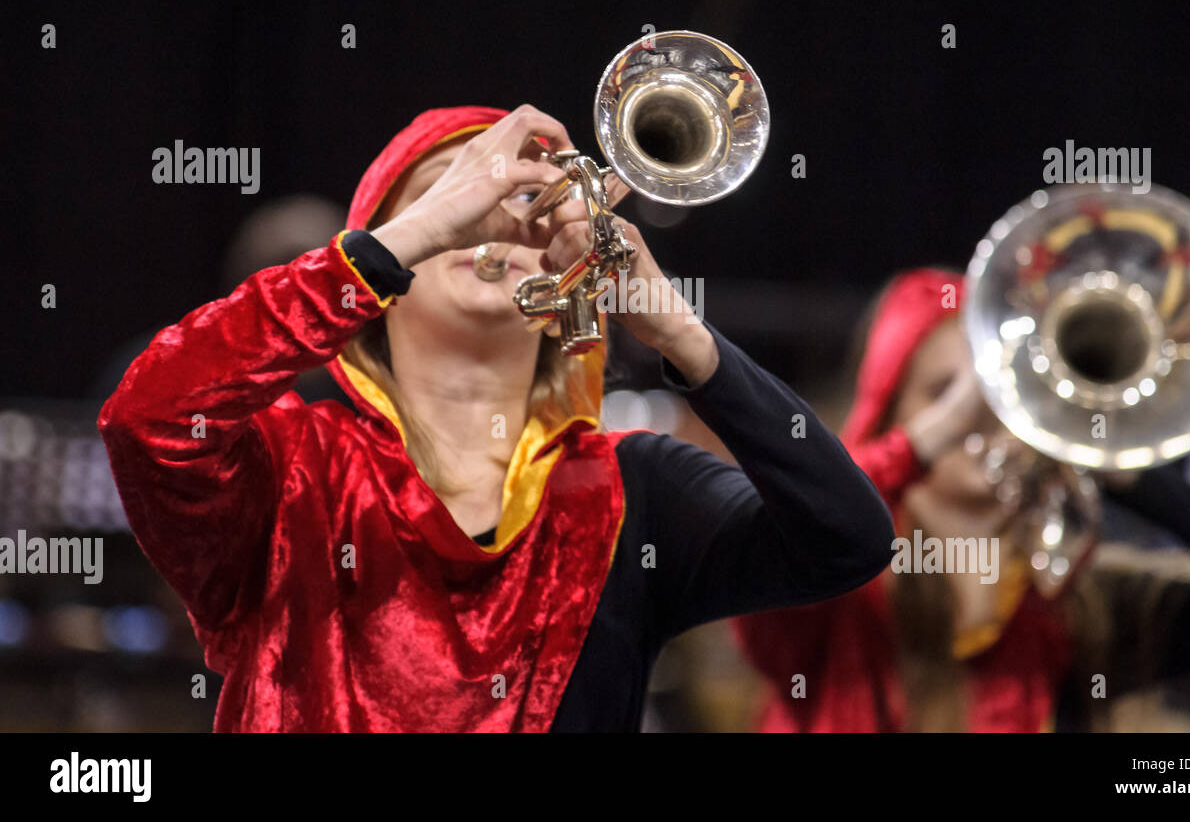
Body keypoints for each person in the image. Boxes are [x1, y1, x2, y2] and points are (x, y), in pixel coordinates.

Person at [97, 104, 894, 732]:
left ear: (563, 301)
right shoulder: (288, 462)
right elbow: (147, 419)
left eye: (528, 201)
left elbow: (847, 540)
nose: (500, 220)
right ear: (383, 270)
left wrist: (679, 330)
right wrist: (416, 232)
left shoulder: (634, 487)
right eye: (455, 192)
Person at [735, 267, 1190, 732]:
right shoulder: (835, 586)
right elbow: (785, 517)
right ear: (890, 417)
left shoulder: (1076, 604)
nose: (979, 412)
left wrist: (1106, 455)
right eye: (941, 390)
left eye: (1004, 396)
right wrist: (936, 432)